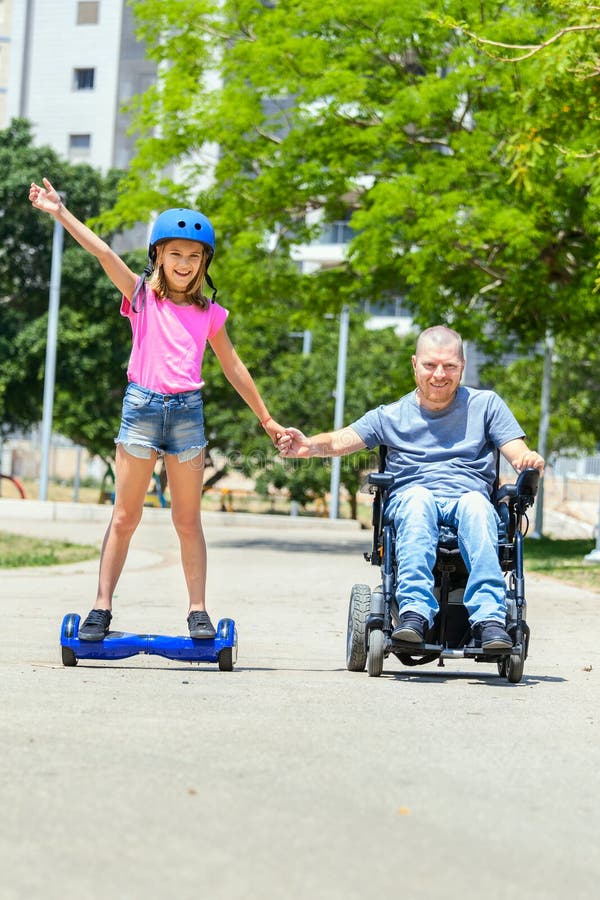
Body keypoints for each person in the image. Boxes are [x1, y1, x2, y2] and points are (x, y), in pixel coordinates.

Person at [30, 178, 285, 641]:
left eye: (194, 256)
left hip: (188, 414)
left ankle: (198, 610)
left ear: (205, 262)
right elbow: (105, 254)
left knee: (187, 520)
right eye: (175, 254)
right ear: (158, 257)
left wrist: (266, 419)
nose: (184, 264)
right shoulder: (140, 297)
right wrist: (61, 213)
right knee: (125, 515)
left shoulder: (210, 313)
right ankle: (101, 607)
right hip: (141, 409)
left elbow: (233, 366)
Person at [278, 325, 545, 651]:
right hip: (413, 497)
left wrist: (528, 460)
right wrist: (308, 445)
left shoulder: (486, 404)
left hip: (468, 496)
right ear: (415, 364)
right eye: (430, 365)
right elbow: (339, 439)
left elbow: (517, 452)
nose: (439, 374)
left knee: (478, 505)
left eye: (449, 366)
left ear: (462, 365)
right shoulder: (391, 415)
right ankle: (414, 613)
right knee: (418, 500)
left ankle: (490, 620)